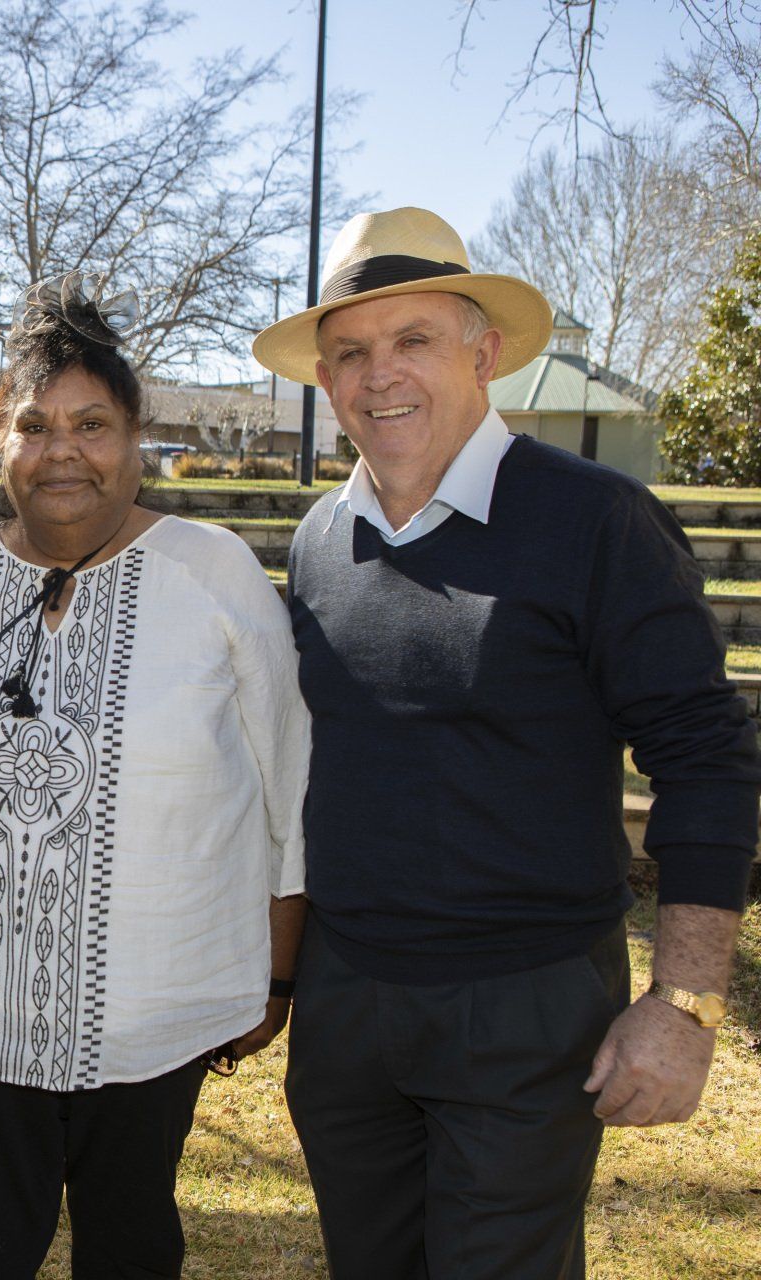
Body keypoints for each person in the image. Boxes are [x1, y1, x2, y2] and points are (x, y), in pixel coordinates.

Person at [254, 207, 761, 1279]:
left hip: (525, 1004)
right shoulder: (318, 541)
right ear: (326, 379)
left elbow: (707, 754)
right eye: (350, 351)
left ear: (484, 353)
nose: (379, 374)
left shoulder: (597, 522)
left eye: (414, 340)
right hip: (350, 1003)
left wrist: (685, 1004)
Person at [0, 277, 309, 1279]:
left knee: (131, 1241)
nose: (62, 448)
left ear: (136, 435)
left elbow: (290, 789)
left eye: (92, 423)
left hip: (160, 1003)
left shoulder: (216, 574)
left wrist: (276, 973)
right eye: (34, 423)